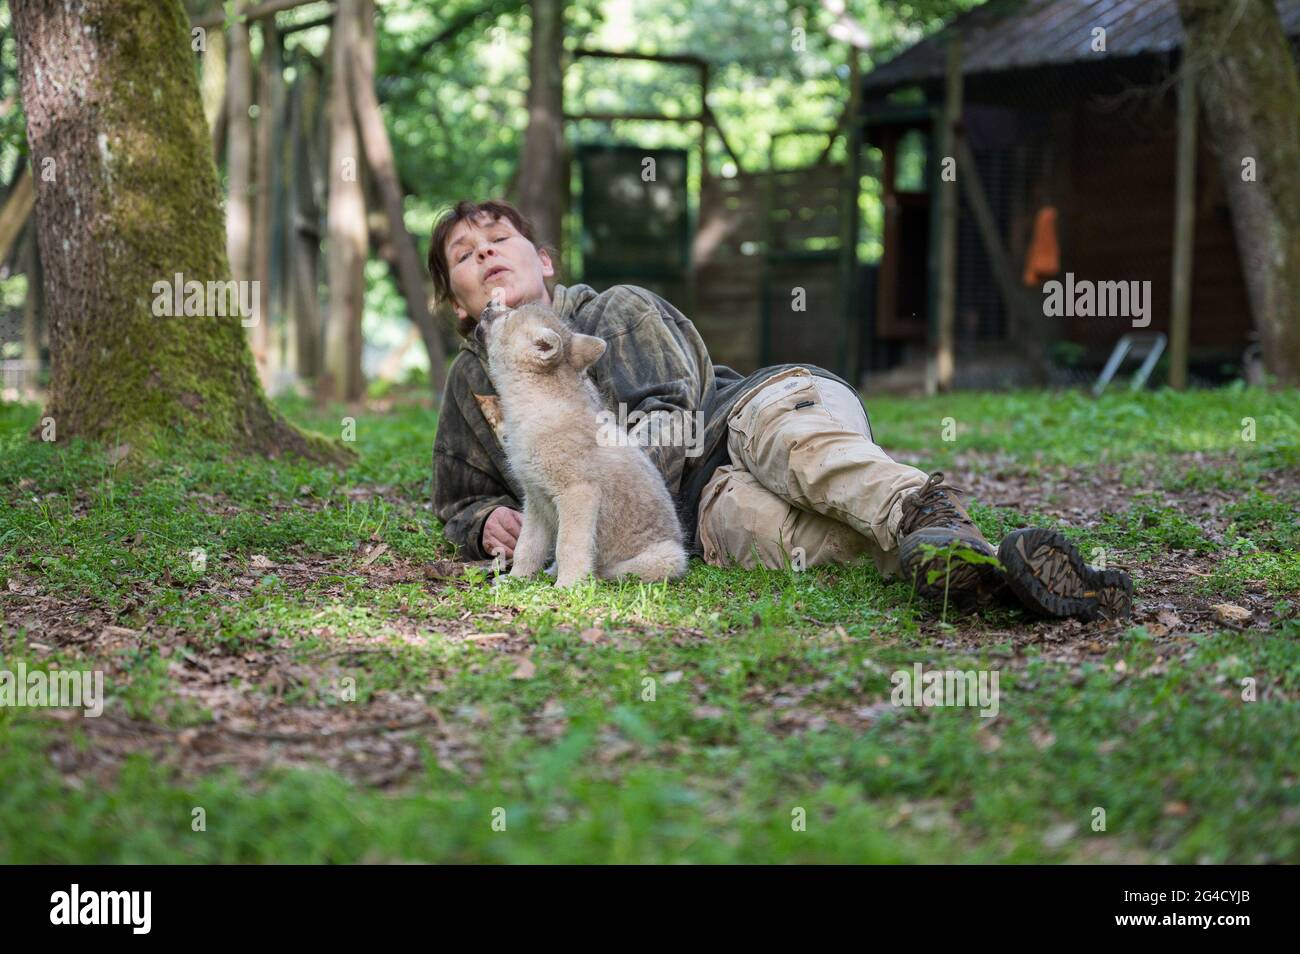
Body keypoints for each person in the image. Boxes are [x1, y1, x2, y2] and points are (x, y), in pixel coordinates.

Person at [428, 199, 1132, 620]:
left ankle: (929, 513)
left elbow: (671, 417)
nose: (485, 250)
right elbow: (457, 500)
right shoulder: (469, 390)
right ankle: (998, 581)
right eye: (464, 252)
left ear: (544, 261)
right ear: (454, 301)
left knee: (805, 454)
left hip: (744, 414)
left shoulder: (612, 310)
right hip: (702, 510)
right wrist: (487, 520)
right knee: (815, 546)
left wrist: (609, 511)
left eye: (499, 237)